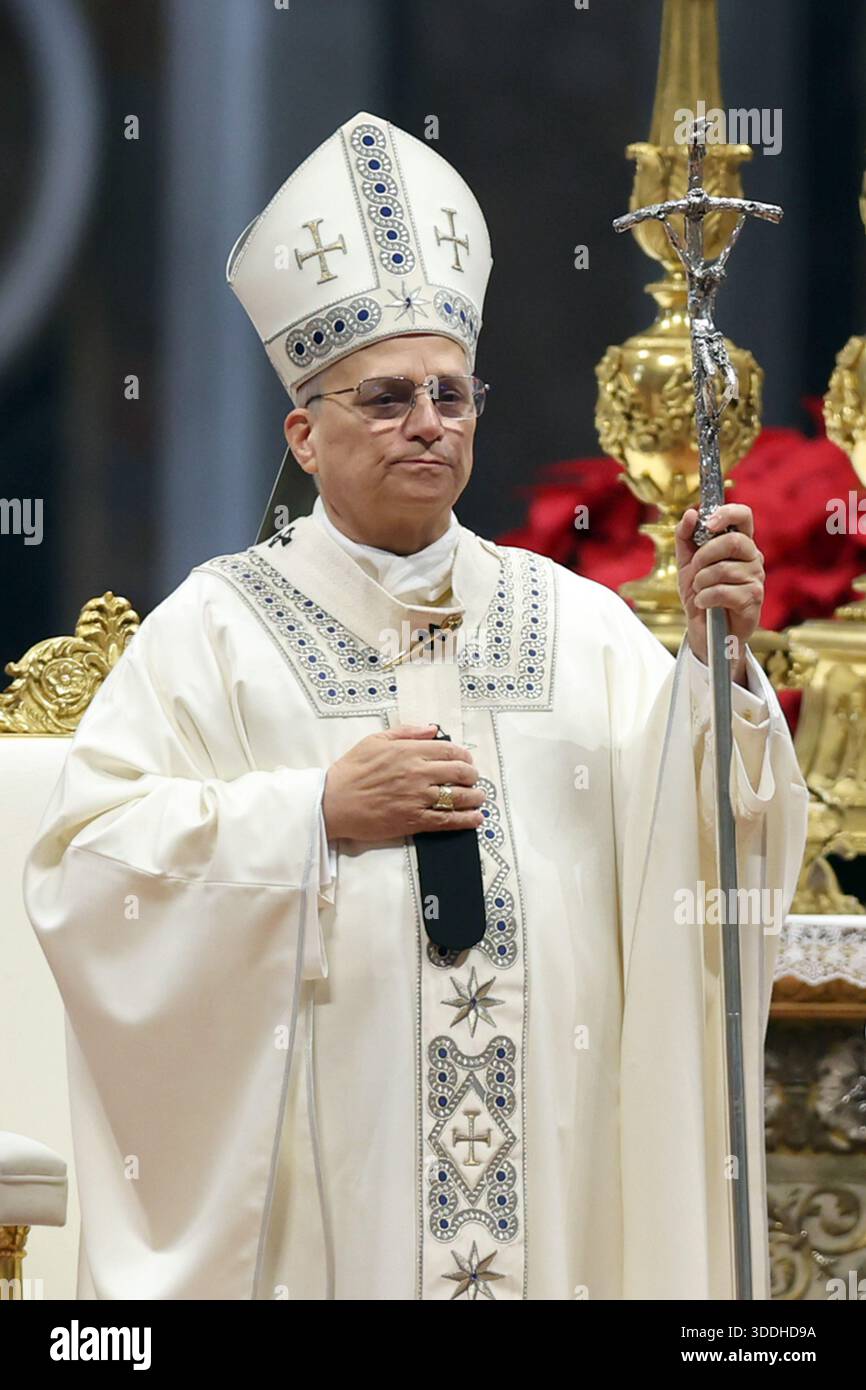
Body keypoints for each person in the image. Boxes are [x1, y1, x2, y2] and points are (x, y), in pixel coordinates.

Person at [23, 110, 808, 1301]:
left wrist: (720, 672)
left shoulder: (577, 621)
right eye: (385, 398)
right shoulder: (217, 628)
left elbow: (690, 846)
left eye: (449, 393)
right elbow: (88, 871)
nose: (428, 422)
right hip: (328, 1200)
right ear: (304, 430)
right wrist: (311, 815)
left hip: (555, 1172)